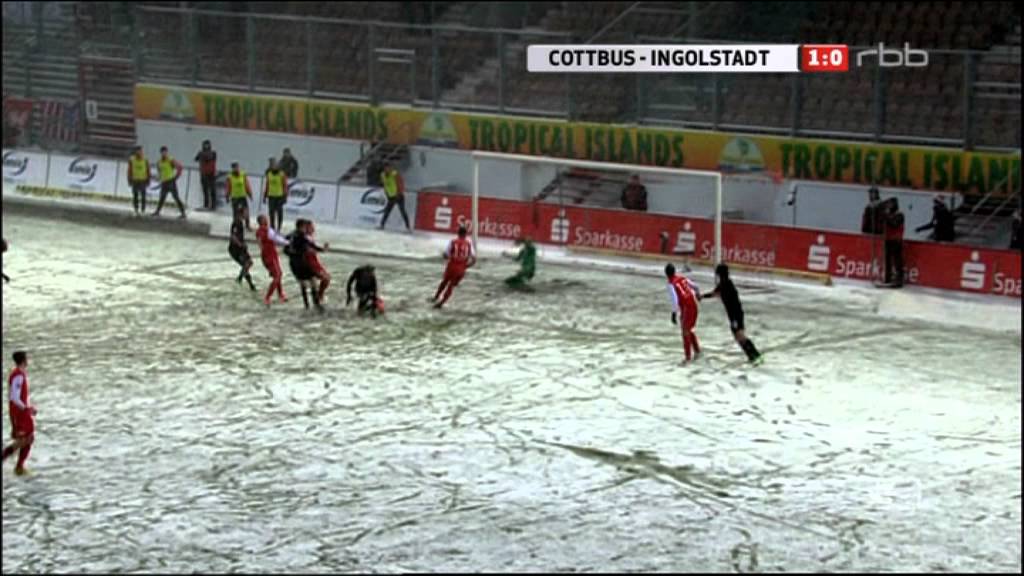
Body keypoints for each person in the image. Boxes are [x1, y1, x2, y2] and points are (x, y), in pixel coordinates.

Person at [704, 264, 763, 364]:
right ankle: (751, 356)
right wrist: (702, 296)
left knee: (740, 336)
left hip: (735, 314)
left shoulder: (725, 285)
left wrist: (701, 297)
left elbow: (714, 294)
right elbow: (714, 294)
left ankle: (756, 355)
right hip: (734, 314)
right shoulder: (725, 284)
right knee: (738, 337)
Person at [2, 351, 35, 476]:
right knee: (22, 440)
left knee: (29, 437)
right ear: (24, 360)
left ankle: (19, 467)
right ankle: (13, 463)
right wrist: (26, 408)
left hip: (21, 411)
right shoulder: (18, 376)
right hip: (19, 412)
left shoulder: (19, 374)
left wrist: (28, 408)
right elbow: (14, 397)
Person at [666, 263, 701, 364]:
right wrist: (698, 295)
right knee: (689, 329)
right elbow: (696, 286)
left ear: (666, 274)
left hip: (687, 308)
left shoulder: (670, 284)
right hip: (693, 305)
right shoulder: (682, 278)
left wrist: (673, 313)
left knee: (685, 331)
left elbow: (675, 300)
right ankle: (697, 352)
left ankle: (688, 358)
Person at [433, 226, 476, 309]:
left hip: (452, 266)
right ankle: (441, 303)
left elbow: (446, 255)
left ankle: (436, 296)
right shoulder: (469, 244)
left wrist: (444, 255)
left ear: (458, 233)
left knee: (444, 282)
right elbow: (474, 259)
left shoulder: (453, 242)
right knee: (451, 286)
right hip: (461, 268)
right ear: (466, 234)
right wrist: (466, 266)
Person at [284, 219, 322, 311]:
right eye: (305, 227)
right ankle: (316, 304)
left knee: (303, 284)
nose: (306, 229)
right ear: (301, 227)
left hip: (293, 263)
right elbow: (311, 246)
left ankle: (307, 305)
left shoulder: (290, 235)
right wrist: (322, 249)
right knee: (313, 281)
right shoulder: (302, 236)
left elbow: (285, 249)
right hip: (302, 262)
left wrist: (291, 254)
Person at [255, 214, 289, 306]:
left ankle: (280, 294)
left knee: (277, 274)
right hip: (271, 256)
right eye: (265, 219)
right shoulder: (268, 230)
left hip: (266, 255)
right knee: (277, 275)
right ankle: (268, 297)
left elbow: (260, 243)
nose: (267, 220)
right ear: (262, 221)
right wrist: (288, 243)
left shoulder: (258, 231)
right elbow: (277, 239)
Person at [152, 146, 186, 219]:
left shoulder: (170, 160)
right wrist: (158, 179)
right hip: (164, 182)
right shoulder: (159, 162)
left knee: (176, 197)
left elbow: (179, 167)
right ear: (160, 153)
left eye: (165, 152)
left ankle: (183, 213)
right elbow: (160, 173)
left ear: (167, 152)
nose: (164, 154)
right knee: (162, 198)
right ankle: (157, 211)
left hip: (171, 182)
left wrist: (176, 177)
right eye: (162, 152)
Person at [303, 221, 331, 305]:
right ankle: (319, 296)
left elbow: (313, 248)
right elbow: (308, 250)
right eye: (311, 227)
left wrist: (322, 249)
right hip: (310, 263)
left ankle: (319, 295)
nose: (313, 229)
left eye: (313, 227)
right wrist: (321, 249)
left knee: (326, 278)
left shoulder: (310, 237)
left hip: (315, 262)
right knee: (326, 279)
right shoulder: (304, 238)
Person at [379, 163, 412, 231]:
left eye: (389, 168)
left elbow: (401, 183)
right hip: (391, 196)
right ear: (384, 169)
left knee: (402, 211)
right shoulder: (382, 175)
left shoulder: (395, 174)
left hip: (398, 196)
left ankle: (408, 227)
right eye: (386, 168)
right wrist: (386, 193)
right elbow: (385, 184)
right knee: (387, 211)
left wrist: (399, 193)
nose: (387, 169)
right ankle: (382, 225)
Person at [229, 212, 257, 291]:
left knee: (249, 263)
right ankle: (250, 284)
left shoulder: (241, 222)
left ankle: (240, 278)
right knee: (246, 264)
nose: (247, 214)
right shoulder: (236, 223)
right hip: (235, 249)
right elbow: (233, 236)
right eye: (245, 213)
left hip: (241, 249)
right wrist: (240, 244)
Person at [262, 158, 288, 232]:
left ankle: (279, 227)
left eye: (275, 165)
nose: (274, 167)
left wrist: (285, 196)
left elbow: (285, 186)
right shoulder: (269, 174)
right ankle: (272, 226)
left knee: (279, 212)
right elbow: (267, 185)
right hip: (271, 196)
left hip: (279, 196)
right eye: (272, 166)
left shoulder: (282, 174)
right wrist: (264, 196)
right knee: (271, 212)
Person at [884, 198, 905, 287]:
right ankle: (888, 278)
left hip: (896, 240)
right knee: (887, 260)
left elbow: (894, 224)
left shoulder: (899, 214)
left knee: (897, 260)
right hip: (888, 239)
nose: (889, 206)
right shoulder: (889, 214)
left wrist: (886, 216)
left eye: (891, 204)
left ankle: (899, 279)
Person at [226, 162, 253, 231]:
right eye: (234, 168)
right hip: (235, 197)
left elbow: (247, 185)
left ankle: (247, 226)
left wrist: (250, 194)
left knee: (246, 212)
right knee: (235, 213)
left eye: (237, 167)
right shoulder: (229, 177)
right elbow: (228, 187)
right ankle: (236, 226)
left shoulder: (243, 175)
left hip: (243, 196)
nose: (236, 169)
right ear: (232, 169)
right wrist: (227, 196)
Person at [194, 140, 218, 211]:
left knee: (212, 190)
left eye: (207, 145)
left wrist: (202, 155)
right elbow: (196, 159)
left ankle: (213, 205)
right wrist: (200, 155)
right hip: (203, 173)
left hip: (211, 173)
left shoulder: (213, 153)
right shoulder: (200, 153)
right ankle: (206, 205)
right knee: (205, 190)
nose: (206, 146)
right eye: (205, 145)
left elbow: (209, 158)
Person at [127, 146, 150, 217]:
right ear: (136, 152)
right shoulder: (132, 160)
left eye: (140, 151)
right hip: (135, 180)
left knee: (143, 196)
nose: (139, 152)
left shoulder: (145, 160)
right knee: (135, 195)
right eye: (138, 151)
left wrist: (148, 180)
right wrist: (129, 179)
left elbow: (148, 170)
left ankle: (143, 210)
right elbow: (129, 170)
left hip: (143, 180)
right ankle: (136, 209)